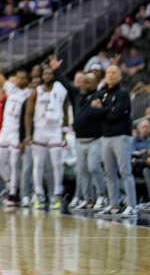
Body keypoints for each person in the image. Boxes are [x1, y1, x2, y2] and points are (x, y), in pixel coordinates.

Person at [51, 57, 104, 211]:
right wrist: (56, 70)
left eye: (88, 82)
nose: (84, 84)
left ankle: (102, 195)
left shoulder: (99, 96)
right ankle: (87, 199)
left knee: (94, 168)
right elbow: (65, 82)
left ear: (95, 84)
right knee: (82, 172)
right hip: (80, 139)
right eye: (83, 82)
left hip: (95, 139)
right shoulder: (77, 94)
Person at [93, 64, 138, 217]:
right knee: (109, 173)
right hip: (106, 137)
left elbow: (116, 114)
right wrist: (105, 110)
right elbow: (95, 110)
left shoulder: (123, 93)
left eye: (114, 72)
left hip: (121, 136)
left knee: (125, 171)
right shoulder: (103, 93)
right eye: (108, 72)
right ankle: (114, 204)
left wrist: (101, 110)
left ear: (120, 76)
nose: (111, 75)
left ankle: (132, 205)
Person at [0, 42, 31, 207]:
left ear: (27, 80)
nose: (19, 80)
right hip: (5, 130)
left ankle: (13, 193)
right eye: (18, 77)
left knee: (14, 163)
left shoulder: (30, 94)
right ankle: (11, 184)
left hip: (16, 132)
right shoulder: (12, 89)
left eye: (22, 78)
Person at [24, 65, 68, 210]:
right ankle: (39, 194)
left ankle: (56, 194)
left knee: (56, 164)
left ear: (53, 76)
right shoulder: (36, 92)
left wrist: (65, 131)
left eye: (50, 73)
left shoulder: (60, 90)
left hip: (55, 130)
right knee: (38, 164)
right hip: (40, 132)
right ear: (42, 76)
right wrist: (28, 134)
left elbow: (66, 110)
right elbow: (29, 114)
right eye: (46, 74)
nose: (48, 76)